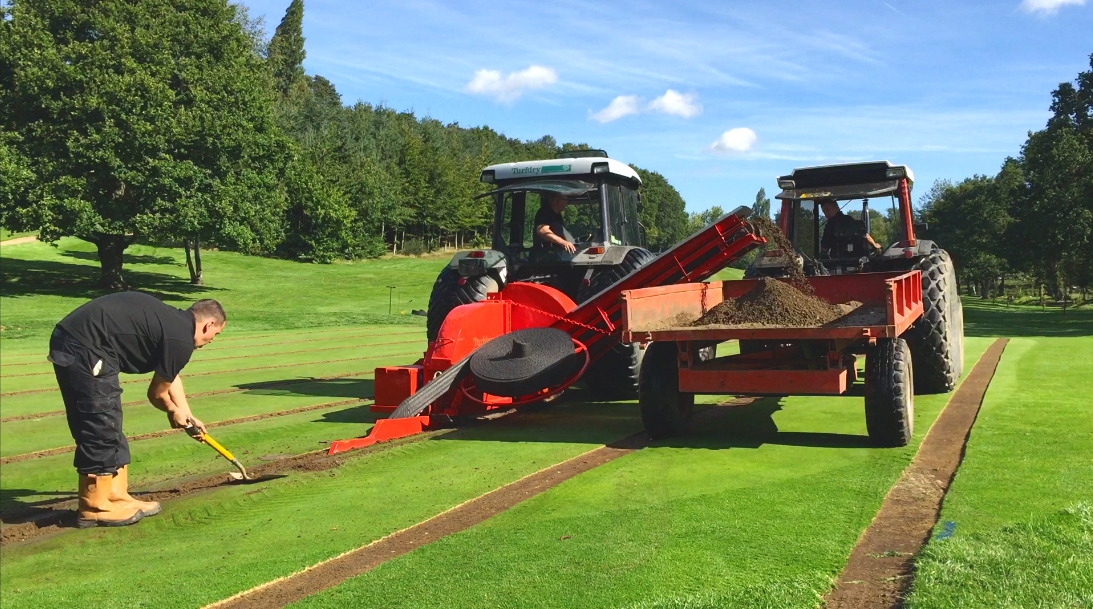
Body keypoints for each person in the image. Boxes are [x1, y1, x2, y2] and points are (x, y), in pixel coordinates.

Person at [48, 293, 226, 528]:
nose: (213, 340)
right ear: (208, 325)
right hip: (83, 344)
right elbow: (156, 394)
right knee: (100, 422)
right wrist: (172, 410)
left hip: (86, 343)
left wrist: (187, 415)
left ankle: (116, 496)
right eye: (216, 334)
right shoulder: (180, 339)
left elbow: (170, 376)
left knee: (110, 421)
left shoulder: (175, 327)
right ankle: (94, 507)